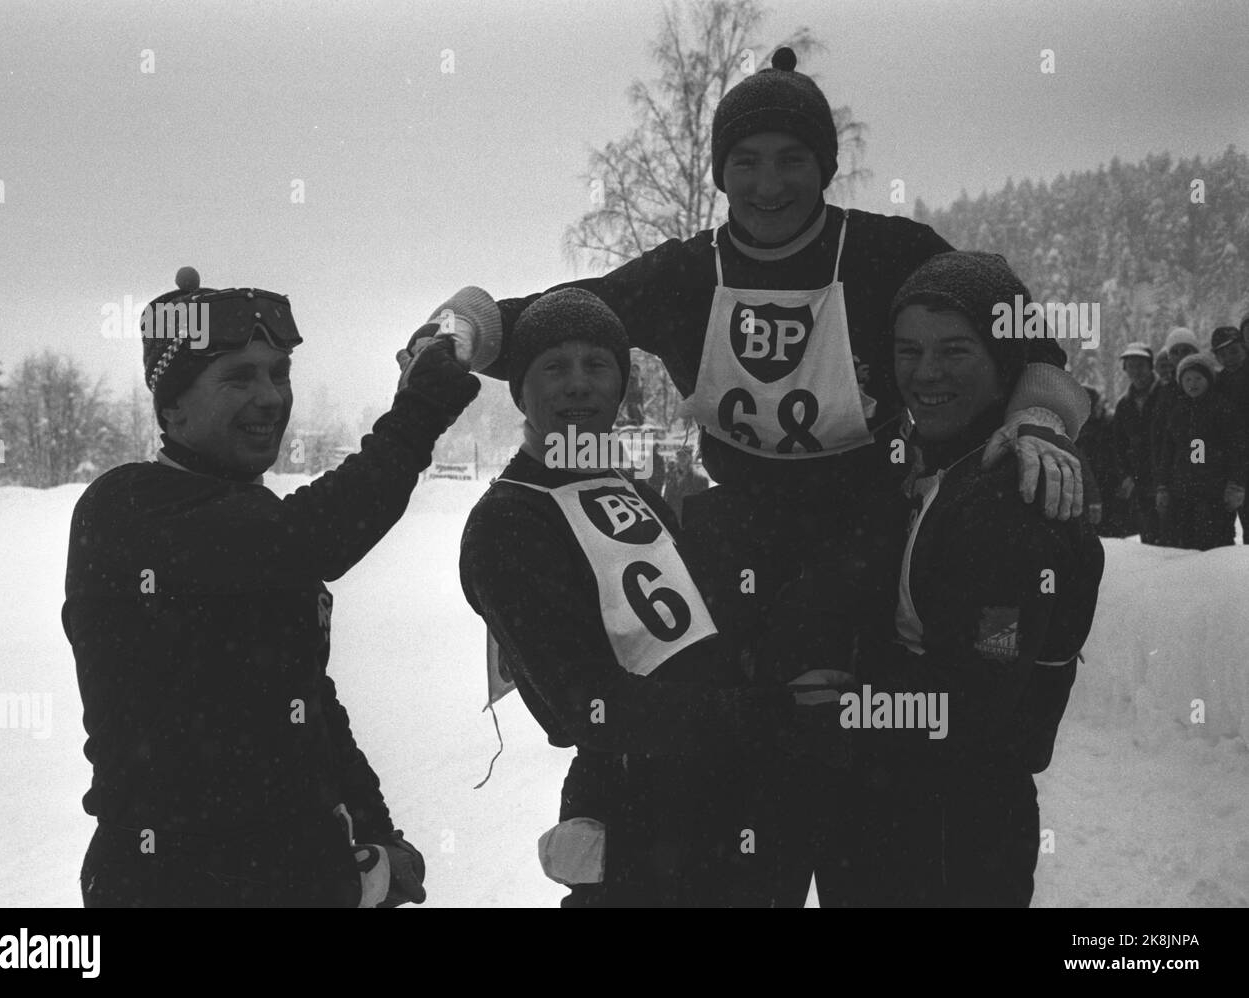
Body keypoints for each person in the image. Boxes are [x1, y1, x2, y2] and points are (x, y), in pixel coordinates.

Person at [408, 46, 1088, 906]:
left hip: (866, 531)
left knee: (856, 764)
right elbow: (560, 317)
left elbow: (1021, 331)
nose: (769, 185)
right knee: (733, 750)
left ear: (826, 167)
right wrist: (460, 323)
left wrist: (1039, 419)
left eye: (792, 160)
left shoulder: (884, 252)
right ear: (722, 172)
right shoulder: (688, 274)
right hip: (736, 543)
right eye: (747, 163)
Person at [64, 267, 480, 907]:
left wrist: (375, 832)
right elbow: (311, 538)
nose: (270, 397)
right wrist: (417, 412)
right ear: (170, 406)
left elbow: (308, 700)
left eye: (279, 374)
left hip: (297, 873)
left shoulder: (250, 520)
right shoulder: (125, 510)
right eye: (238, 377)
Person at [458, 289, 846, 907]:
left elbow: (706, 629)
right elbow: (585, 708)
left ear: (620, 385)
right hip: (639, 822)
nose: (578, 385)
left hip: (728, 804)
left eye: (597, 366)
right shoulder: (510, 519)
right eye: (554, 368)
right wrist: (764, 715)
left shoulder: (626, 486)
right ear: (520, 392)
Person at [844, 252, 1104, 906]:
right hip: (913, 804)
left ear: (1004, 369)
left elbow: (970, 705)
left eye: (956, 351)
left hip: (955, 829)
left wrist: (840, 703)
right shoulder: (946, 466)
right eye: (909, 351)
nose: (926, 374)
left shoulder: (1010, 496)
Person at [1154, 352, 1247, 550]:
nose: (1192, 384)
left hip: (1215, 492)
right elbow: (1168, 452)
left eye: (1198, 378)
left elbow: (1237, 449)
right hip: (1182, 491)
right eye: (1187, 379)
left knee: (1216, 543)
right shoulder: (1177, 411)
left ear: (1209, 380)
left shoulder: (1222, 409)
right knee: (1185, 544)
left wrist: (1236, 484)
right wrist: (1162, 485)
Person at [1149, 328, 1201, 544]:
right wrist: (1162, 484)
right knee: (1175, 545)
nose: (1181, 355)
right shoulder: (1163, 393)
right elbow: (1160, 443)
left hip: (1208, 484)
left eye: (1186, 350)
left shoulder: (1207, 385)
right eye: (1176, 351)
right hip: (1175, 481)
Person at [1113, 341, 1162, 543]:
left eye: (1140, 365)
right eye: (1130, 366)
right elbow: (1118, 446)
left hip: (1167, 479)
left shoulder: (1166, 394)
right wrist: (1125, 475)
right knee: (1149, 541)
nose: (1135, 371)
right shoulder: (1124, 405)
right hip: (1141, 482)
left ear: (1151, 366)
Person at [1213, 324, 1249, 540]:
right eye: (1222, 354)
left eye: (1233, 351)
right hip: (1231, 464)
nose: (1229, 358)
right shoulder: (1217, 383)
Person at [1077, 386, 1126, 535]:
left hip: (1111, 484)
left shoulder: (1110, 424)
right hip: (1091, 486)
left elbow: (1121, 452)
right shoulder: (1077, 430)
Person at [661, 444, 710, 520]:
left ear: (690, 458)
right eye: (679, 456)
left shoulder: (700, 480)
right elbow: (666, 498)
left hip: (689, 520)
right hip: (671, 520)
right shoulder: (671, 477)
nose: (681, 458)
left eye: (684, 456)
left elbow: (703, 506)